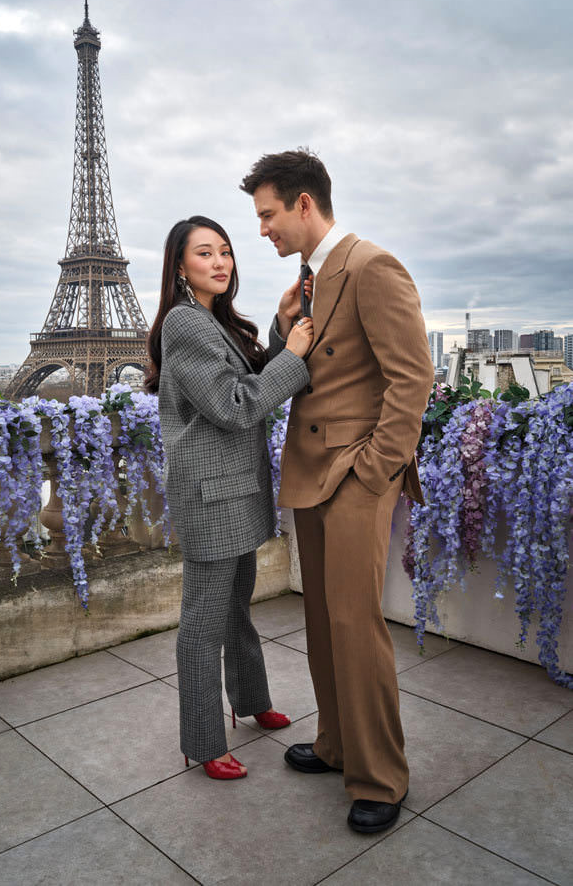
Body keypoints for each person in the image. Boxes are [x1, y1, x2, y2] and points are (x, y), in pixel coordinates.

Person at [240, 150, 434, 831]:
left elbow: (412, 378)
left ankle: (381, 774)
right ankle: (335, 742)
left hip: (355, 470)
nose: (260, 229)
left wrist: (375, 467)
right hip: (310, 468)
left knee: (355, 622)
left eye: (266, 214)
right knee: (322, 621)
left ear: (302, 203)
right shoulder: (308, 281)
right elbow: (295, 368)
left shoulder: (372, 267)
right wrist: (283, 318)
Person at [145, 214, 314, 780]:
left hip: (235, 492)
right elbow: (235, 405)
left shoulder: (212, 321)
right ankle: (202, 740)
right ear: (180, 266)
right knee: (203, 623)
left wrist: (281, 323)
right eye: (204, 254)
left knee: (237, 607)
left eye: (225, 251)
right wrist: (294, 353)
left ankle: (250, 699)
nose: (220, 262)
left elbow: (248, 374)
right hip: (213, 499)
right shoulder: (184, 325)